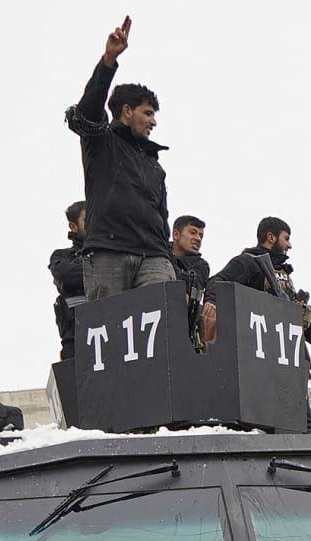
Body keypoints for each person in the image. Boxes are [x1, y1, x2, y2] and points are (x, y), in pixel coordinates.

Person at [67, 17, 175, 299]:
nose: (153, 122)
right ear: (127, 111)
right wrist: (108, 61)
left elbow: (162, 216)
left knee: (165, 315)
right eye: (148, 113)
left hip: (154, 255)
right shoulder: (101, 141)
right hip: (109, 251)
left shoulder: (154, 164)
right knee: (109, 323)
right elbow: (89, 110)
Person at [208, 216, 311, 361]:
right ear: (271, 237)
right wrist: (211, 302)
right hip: (257, 352)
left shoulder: (282, 272)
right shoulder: (249, 262)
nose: (289, 245)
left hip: (283, 356)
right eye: (286, 238)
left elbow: (292, 317)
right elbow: (217, 281)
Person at [50, 200, 86, 359]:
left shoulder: (111, 255)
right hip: (75, 338)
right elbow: (66, 275)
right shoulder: (62, 256)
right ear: (73, 226)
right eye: (87, 220)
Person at [171, 214, 210, 290]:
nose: (198, 239)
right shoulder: (159, 253)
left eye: (201, 236)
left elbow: (192, 286)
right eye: (193, 233)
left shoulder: (201, 265)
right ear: (176, 234)